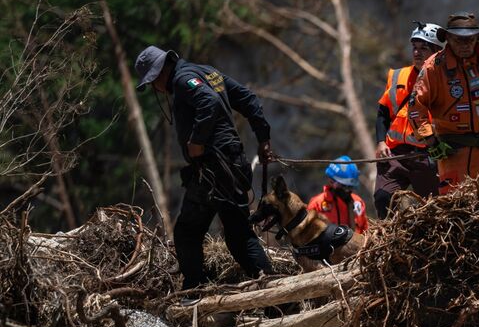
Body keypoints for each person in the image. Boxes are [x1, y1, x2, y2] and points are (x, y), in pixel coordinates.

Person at [134, 45, 275, 292]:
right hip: (230, 165)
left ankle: (196, 290)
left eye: (152, 82)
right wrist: (263, 139)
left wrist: (197, 141)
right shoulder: (207, 72)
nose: (155, 88)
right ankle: (272, 290)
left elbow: (209, 101)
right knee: (236, 235)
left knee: (191, 232)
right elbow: (248, 98)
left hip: (215, 169)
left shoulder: (182, 80)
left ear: (159, 73)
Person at [409, 12, 479, 192]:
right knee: (458, 205)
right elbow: (416, 107)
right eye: (458, 40)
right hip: (455, 152)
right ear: (448, 39)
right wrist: (430, 140)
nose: (465, 45)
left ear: (477, 38)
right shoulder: (434, 67)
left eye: (470, 39)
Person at [373, 22, 444, 216]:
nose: (417, 53)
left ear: (437, 52)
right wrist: (380, 142)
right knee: (383, 199)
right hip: (395, 154)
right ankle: (389, 234)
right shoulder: (398, 76)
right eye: (414, 47)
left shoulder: (446, 82)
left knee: (435, 210)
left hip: (427, 157)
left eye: (423, 48)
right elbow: (382, 113)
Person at [308, 156, 368, 236]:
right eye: (344, 186)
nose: (347, 190)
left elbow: (365, 231)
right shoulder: (317, 205)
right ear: (331, 181)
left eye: (350, 187)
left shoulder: (358, 202)